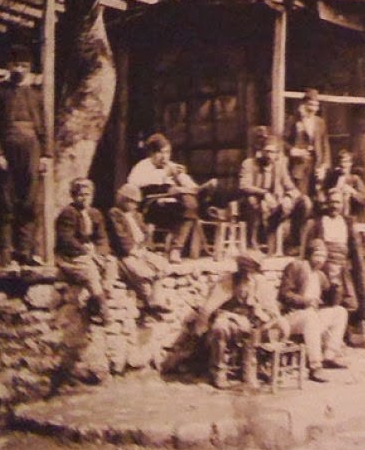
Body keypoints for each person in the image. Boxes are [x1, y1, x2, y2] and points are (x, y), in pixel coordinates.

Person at [0, 44, 50, 266]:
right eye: (16, 64)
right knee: (5, 200)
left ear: (29, 68)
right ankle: (6, 254)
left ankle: (25, 252)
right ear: (9, 66)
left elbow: (44, 127)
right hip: (6, 151)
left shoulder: (36, 95)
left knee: (29, 202)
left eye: (24, 65)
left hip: (32, 151)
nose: (19, 69)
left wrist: (46, 155)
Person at [194, 252, 288, 389]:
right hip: (231, 320)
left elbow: (272, 310)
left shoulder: (260, 282)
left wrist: (267, 318)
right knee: (220, 328)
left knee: (272, 329)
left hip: (253, 323)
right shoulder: (229, 281)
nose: (247, 272)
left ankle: (255, 369)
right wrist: (202, 325)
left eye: (251, 268)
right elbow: (209, 306)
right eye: (244, 268)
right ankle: (219, 371)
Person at [127, 133, 217, 262]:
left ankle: (176, 250)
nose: (165, 156)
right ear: (152, 153)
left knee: (190, 204)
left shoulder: (171, 165)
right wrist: (164, 174)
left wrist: (180, 177)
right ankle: (176, 249)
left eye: (168, 152)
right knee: (189, 201)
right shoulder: (143, 166)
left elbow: (187, 183)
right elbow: (134, 184)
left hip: (174, 205)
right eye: (161, 152)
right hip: (152, 206)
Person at [278, 239, 349, 383]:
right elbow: (284, 294)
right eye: (317, 255)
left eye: (323, 256)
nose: (320, 260)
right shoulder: (296, 266)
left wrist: (336, 286)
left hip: (311, 317)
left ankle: (329, 356)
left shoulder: (320, 275)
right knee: (310, 317)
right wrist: (305, 301)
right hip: (292, 317)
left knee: (340, 312)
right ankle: (315, 366)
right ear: (309, 254)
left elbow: (331, 302)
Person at [301, 188, 365, 324]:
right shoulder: (318, 223)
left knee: (352, 303)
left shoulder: (348, 223)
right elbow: (309, 251)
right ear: (326, 203)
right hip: (324, 267)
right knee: (329, 297)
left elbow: (356, 253)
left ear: (343, 204)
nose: (334, 206)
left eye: (337, 202)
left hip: (343, 268)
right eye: (331, 202)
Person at [106, 183, 171, 316]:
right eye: (131, 202)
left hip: (140, 250)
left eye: (136, 203)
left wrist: (148, 233)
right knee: (141, 273)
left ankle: (156, 299)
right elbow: (120, 236)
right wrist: (131, 251)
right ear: (123, 200)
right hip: (125, 253)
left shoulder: (136, 215)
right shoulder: (115, 214)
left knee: (160, 264)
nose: (134, 205)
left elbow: (143, 233)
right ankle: (149, 302)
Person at [55, 178, 112, 325]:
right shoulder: (68, 213)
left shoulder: (95, 213)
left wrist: (100, 252)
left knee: (111, 263)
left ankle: (100, 298)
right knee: (90, 270)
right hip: (71, 255)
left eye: (87, 195)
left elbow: (102, 237)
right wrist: (84, 250)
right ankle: (104, 311)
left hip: (91, 253)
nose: (84, 198)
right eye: (80, 195)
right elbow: (66, 239)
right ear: (74, 196)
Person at [238, 135, 309, 251]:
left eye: (272, 152)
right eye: (267, 151)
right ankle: (252, 242)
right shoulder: (249, 164)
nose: (269, 155)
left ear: (277, 154)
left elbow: (291, 187)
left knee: (303, 202)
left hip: (275, 205)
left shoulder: (279, 166)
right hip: (254, 202)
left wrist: (288, 197)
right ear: (261, 151)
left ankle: (294, 244)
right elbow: (244, 186)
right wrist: (264, 193)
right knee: (251, 200)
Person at [283, 88, 331, 199]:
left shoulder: (320, 122)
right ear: (303, 105)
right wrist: (293, 150)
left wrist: (324, 166)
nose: (313, 109)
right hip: (299, 166)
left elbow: (325, 145)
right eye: (310, 105)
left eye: (316, 106)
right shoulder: (293, 120)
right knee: (301, 198)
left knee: (317, 197)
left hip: (316, 166)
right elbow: (282, 141)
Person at [322, 150, 365, 222]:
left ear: (351, 163)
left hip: (350, 216)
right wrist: (331, 191)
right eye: (341, 162)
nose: (343, 165)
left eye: (346, 162)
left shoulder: (354, 179)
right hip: (334, 215)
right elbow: (324, 194)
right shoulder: (333, 178)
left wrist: (352, 191)